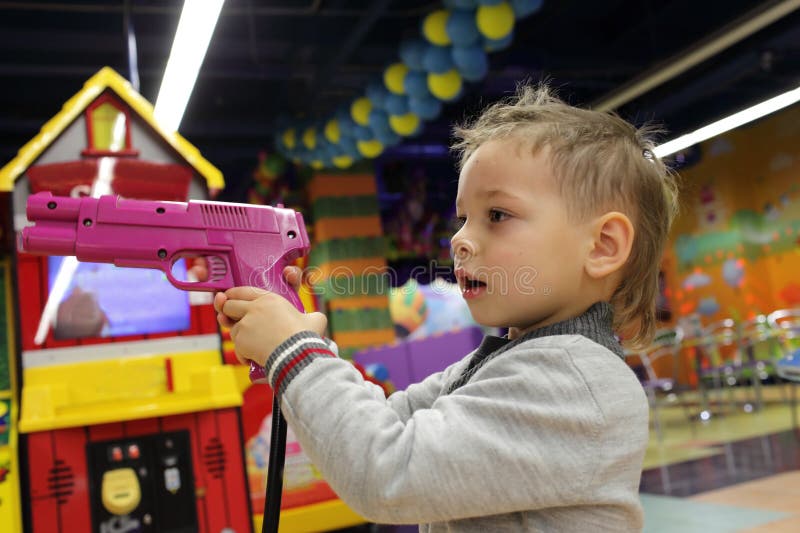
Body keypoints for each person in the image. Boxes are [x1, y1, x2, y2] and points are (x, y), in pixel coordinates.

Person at [214, 83, 679, 532]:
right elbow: (382, 424)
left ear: (601, 246)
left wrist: (295, 352)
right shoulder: (502, 363)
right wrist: (299, 348)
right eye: (463, 219)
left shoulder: (576, 384)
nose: (458, 239)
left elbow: (385, 472)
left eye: (497, 215)